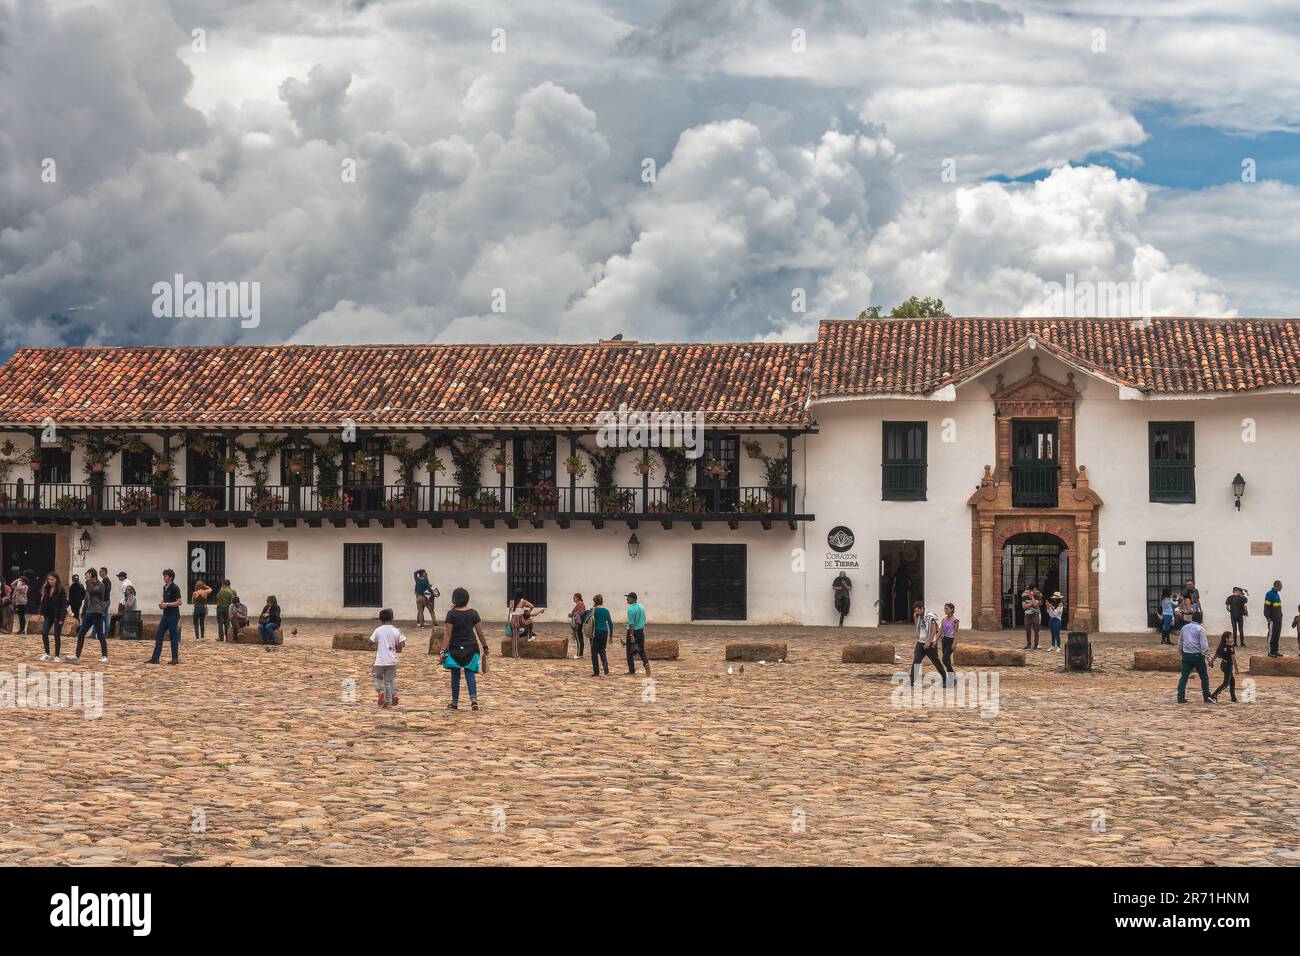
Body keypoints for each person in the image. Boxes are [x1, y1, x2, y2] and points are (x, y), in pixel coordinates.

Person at [440, 587, 486, 710]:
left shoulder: (451, 614)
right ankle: (474, 700)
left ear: (454, 599)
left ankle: (454, 702)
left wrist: (442, 650)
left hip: (454, 648)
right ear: (467, 599)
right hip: (471, 647)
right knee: (469, 673)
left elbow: (448, 633)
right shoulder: (473, 613)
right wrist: (485, 646)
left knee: (455, 675)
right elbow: (480, 633)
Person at [368, 608, 406, 708]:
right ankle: (393, 695)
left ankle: (381, 691)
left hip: (380, 661)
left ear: (380, 619)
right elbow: (402, 644)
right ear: (392, 618)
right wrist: (395, 646)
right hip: (392, 660)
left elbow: (370, 642)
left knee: (377, 677)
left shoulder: (378, 630)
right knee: (390, 680)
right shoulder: (396, 631)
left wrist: (375, 646)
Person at [146, 569, 184, 665]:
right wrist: (162, 603)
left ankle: (175, 658)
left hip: (173, 615)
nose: (164, 577)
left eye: (166, 576)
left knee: (173, 636)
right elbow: (165, 599)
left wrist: (167, 604)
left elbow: (179, 602)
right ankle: (155, 658)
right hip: (165, 615)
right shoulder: (165, 587)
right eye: (164, 576)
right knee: (159, 635)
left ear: (170, 578)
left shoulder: (175, 588)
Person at [1176, 610, 1213, 704]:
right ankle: (1206, 696)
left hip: (1186, 655)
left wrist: (1181, 653)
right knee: (1204, 676)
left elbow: (1180, 642)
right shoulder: (1200, 629)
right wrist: (1208, 657)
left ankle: (1180, 696)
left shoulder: (1184, 628)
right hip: (1197, 655)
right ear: (1201, 619)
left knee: (1184, 676)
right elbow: (1204, 645)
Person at [73, 568, 109, 663]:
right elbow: (87, 599)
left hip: (97, 612)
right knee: (81, 633)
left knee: (100, 634)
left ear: (92, 575)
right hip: (89, 612)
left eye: (87, 576)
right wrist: (84, 612)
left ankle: (104, 655)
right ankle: (77, 655)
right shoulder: (89, 585)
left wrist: (88, 582)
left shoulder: (101, 585)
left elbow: (93, 591)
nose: (85, 578)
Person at [910, 600, 947, 685]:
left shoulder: (930, 617)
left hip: (930, 643)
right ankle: (911, 681)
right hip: (920, 642)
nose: (916, 612)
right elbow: (917, 628)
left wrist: (929, 641)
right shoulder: (919, 617)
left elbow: (934, 630)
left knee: (936, 662)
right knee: (916, 661)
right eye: (915, 611)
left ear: (922, 608)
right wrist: (915, 618)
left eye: (917, 611)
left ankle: (945, 679)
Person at [38, 573, 69, 662]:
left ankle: (57, 655)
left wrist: (62, 618)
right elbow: (43, 602)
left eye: (52, 579)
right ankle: (47, 653)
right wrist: (41, 612)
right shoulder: (46, 588)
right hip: (48, 614)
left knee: (56, 635)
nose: (51, 581)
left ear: (56, 580)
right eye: (49, 579)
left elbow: (64, 605)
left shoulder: (61, 589)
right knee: (44, 633)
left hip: (58, 615)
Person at [585, 593, 612, 676]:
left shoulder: (593, 610)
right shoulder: (606, 610)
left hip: (595, 632)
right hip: (604, 631)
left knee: (594, 652)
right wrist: (611, 636)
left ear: (595, 601)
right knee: (602, 650)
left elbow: (586, 620)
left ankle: (596, 671)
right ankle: (605, 664)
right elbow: (610, 623)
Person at [624, 592, 650, 677]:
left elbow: (631, 624)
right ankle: (646, 663)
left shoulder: (630, 609)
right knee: (642, 650)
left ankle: (631, 670)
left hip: (633, 631)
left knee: (629, 651)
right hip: (641, 631)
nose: (627, 599)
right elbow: (644, 618)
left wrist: (631, 635)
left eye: (628, 598)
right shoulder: (641, 607)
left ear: (632, 599)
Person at [1210, 631, 1238, 703]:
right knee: (1226, 683)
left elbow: (1216, 655)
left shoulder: (1221, 646)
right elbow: (1233, 659)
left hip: (1223, 665)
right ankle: (1213, 696)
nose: (1233, 639)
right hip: (1228, 666)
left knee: (1232, 681)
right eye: (1231, 638)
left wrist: (1211, 661)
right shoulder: (1230, 648)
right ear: (1226, 639)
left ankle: (1233, 698)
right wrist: (1236, 669)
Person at [506, 591, 534, 656]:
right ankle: (529, 637)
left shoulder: (511, 602)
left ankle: (515, 655)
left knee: (514, 638)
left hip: (512, 621)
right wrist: (528, 612)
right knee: (530, 622)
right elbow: (532, 606)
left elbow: (510, 612)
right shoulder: (523, 601)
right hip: (520, 621)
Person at [940, 602, 958, 683]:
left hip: (951, 640)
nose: (945, 610)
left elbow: (956, 632)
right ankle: (951, 679)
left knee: (944, 659)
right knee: (947, 660)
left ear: (952, 610)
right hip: (945, 639)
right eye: (945, 608)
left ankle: (953, 677)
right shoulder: (944, 619)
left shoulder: (955, 621)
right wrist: (936, 639)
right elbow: (941, 630)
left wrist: (955, 643)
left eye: (947, 609)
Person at [1264, 580, 1283, 657]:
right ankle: (1270, 652)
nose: (1282, 587)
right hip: (1272, 619)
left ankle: (1275, 651)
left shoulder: (1277, 595)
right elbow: (1266, 607)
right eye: (1281, 585)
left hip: (1279, 619)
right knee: (1272, 635)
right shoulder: (1269, 594)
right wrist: (1268, 617)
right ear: (1277, 585)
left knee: (1277, 635)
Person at [568, 592, 586, 659]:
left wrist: (574, 614)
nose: (573, 598)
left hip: (578, 624)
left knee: (578, 639)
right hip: (579, 623)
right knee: (580, 638)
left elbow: (581, 613)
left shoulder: (580, 604)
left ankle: (579, 654)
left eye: (574, 597)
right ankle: (580, 654)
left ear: (577, 598)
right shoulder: (580, 604)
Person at [10, 570, 28, 635]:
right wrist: (17, 580)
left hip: (22, 603)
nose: (20, 582)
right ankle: (20, 629)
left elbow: (18, 587)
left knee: (22, 616)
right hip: (17, 603)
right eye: (20, 581)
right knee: (19, 616)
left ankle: (22, 629)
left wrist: (19, 582)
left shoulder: (25, 587)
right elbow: (12, 585)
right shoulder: (18, 587)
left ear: (25, 582)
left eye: (22, 581)